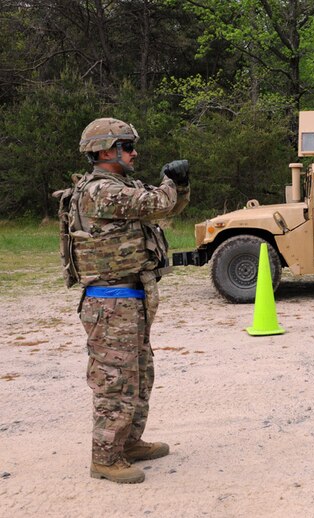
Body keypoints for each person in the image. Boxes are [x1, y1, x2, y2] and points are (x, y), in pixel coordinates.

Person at [63, 118, 190, 483]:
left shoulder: (122, 184)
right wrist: (172, 182)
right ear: (106, 151)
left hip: (130, 297)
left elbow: (166, 206)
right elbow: (157, 203)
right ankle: (104, 457)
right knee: (115, 380)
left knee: (139, 375)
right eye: (128, 146)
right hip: (110, 301)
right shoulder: (99, 191)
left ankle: (128, 443)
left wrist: (178, 187)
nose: (134, 153)